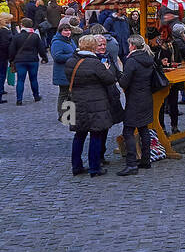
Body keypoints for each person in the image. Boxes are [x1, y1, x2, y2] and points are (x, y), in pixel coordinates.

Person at [64, 33, 119, 177]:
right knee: (96, 134)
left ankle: (76, 166)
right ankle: (94, 167)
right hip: (95, 102)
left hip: (77, 102)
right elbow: (109, 79)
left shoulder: (71, 61)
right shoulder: (95, 63)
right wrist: (106, 68)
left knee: (79, 135)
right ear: (93, 47)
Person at [116, 35, 161, 176]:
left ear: (133, 46)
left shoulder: (132, 61)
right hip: (146, 97)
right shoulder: (148, 58)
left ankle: (131, 164)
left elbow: (124, 82)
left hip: (134, 99)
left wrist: (118, 73)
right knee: (143, 129)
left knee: (128, 131)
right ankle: (146, 160)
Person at [10, 17, 47, 104]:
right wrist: (44, 58)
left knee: (20, 80)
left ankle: (19, 99)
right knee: (33, 79)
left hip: (20, 61)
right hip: (33, 60)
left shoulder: (16, 37)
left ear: (22, 25)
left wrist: (11, 60)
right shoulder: (35, 36)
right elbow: (41, 48)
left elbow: (12, 50)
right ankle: (36, 96)